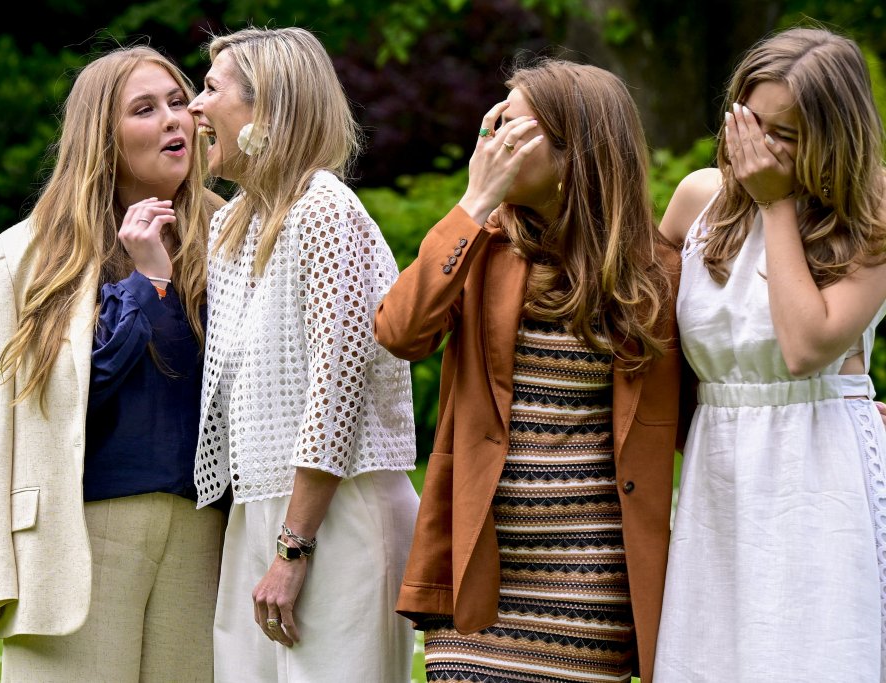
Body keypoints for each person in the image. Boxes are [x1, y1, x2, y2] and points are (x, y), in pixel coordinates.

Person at [375, 59, 685, 683]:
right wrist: (473, 201)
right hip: (478, 583)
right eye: (493, 128)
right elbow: (400, 332)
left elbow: (707, 409)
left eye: (512, 130)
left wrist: (836, 407)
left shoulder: (656, 274)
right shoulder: (482, 245)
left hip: (588, 594)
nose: (492, 145)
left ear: (578, 148)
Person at [0, 45, 226, 682]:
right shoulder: (25, 254)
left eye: (178, 102)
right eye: (144, 109)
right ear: (102, 137)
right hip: (76, 534)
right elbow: (16, 406)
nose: (173, 120)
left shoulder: (233, 234)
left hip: (204, 536)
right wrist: (147, 282)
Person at [653, 27, 886, 682]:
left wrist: (776, 204)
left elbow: (806, 346)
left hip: (820, 465)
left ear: (833, 137)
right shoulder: (699, 200)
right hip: (719, 470)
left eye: (784, 133)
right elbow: (639, 323)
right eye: (751, 122)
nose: (758, 146)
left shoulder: (873, 212)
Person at [187, 26, 420, 682]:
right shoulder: (230, 224)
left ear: (270, 110)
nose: (193, 108)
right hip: (262, 511)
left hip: (334, 518)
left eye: (210, 89)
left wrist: (294, 546)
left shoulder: (324, 210)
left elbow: (336, 384)